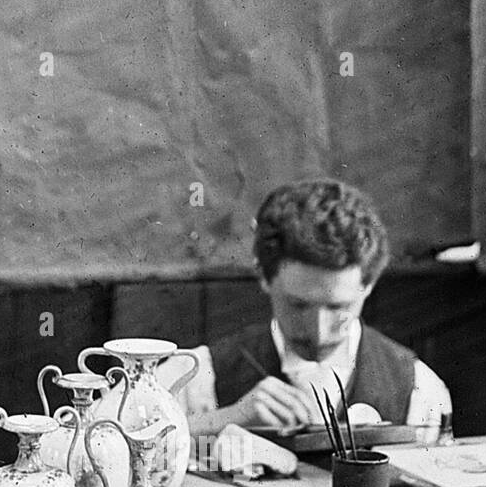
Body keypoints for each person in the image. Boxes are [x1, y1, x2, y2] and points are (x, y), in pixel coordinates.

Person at [170, 179, 451, 436]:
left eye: (338, 306)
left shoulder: (418, 390)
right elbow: (127, 454)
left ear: (368, 285)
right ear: (264, 277)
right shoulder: (195, 379)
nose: (318, 333)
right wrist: (224, 419)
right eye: (298, 305)